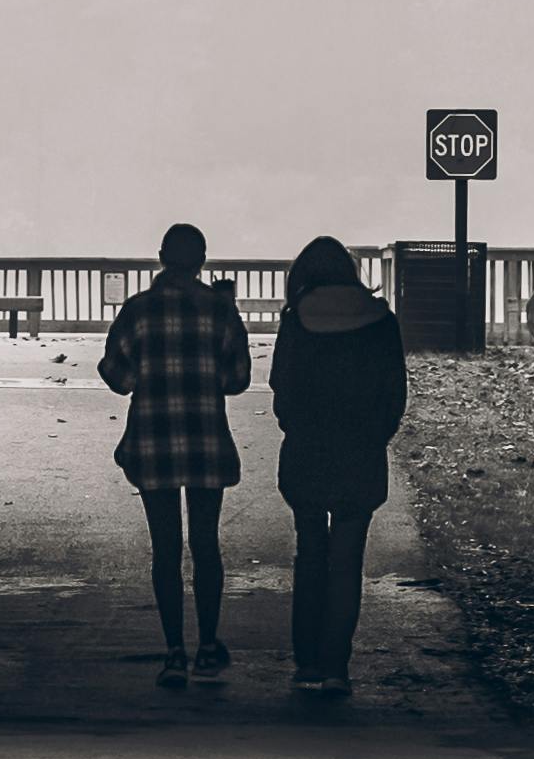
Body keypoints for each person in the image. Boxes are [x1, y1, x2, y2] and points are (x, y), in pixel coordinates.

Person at [99, 219, 250, 689]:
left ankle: (173, 652)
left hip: (154, 443)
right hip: (206, 442)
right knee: (206, 545)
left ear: (161, 258)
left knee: (165, 550)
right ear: (203, 261)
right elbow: (238, 379)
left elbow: (116, 376)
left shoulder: (138, 311)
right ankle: (208, 644)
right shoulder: (219, 311)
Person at [271, 232, 407, 700]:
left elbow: (282, 391)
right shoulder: (381, 320)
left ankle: (306, 660)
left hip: (308, 451)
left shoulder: (295, 321)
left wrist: (298, 426)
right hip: (360, 453)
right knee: (347, 562)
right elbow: (395, 394)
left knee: (310, 555)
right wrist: (374, 436)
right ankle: (336, 667)